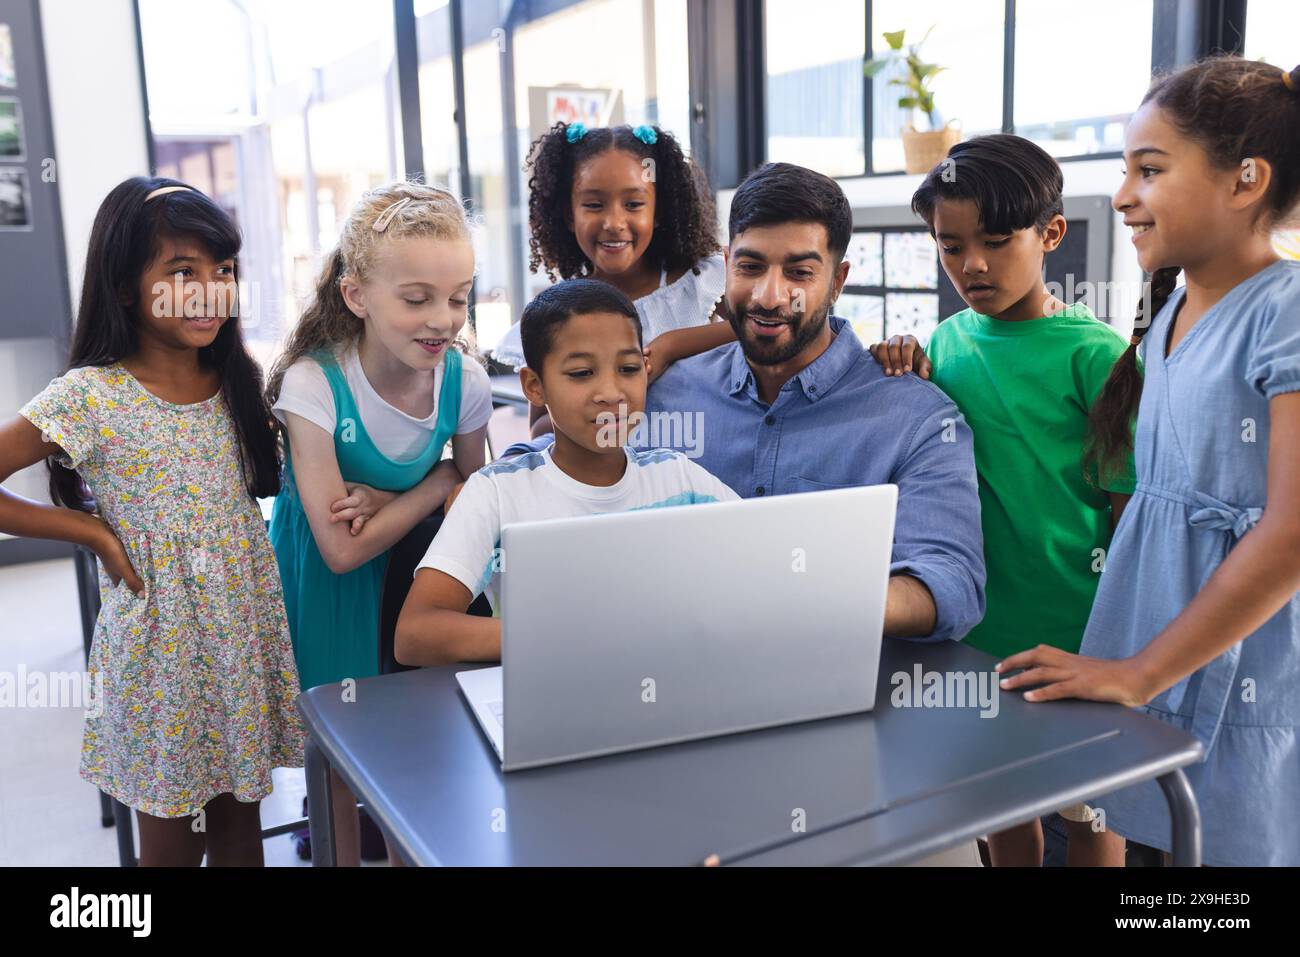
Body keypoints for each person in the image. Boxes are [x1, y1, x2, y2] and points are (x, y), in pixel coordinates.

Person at [999, 57, 1300, 867]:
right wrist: (1130, 667)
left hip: (1241, 660)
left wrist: (1140, 671)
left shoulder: (1287, 307)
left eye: (1150, 169)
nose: (1124, 194)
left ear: (1244, 182)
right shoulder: (1171, 309)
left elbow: (1293, 530)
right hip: (1156, 633)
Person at [0, 177, 303, 866]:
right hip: (157, 658)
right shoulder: (93, 395)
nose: (210, 290)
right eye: (182, 271)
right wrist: (93, 533)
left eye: (222, 270)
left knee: (239, 834)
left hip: (236, 638)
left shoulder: (235, 383)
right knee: (167, 848)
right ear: (127, 284)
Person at [870, 134, 1133, 866]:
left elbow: (1126, 507)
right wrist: (900, 365)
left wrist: (1123, 641)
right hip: (978, 627)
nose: (972, 265)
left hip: (1080, 629)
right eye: (951, 247)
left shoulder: (1095, 354)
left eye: (993, 241)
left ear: (1050, 233)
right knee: (999, 801)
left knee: (1089, 806)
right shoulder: (945, 343)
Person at [266, 181, 492, 864]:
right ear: (357, 295)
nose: (444, 319)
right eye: (417, 299)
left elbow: (477, 510)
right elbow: (339, 546)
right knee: (337, 753)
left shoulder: (465, 381)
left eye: (459, 297)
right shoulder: (312, 384)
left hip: (410, 578)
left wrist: (440, 491)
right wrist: (437, 481)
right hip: (331, 588)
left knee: (415, 748)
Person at [396, 279, 738, 664]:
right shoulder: (496, 493)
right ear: (534, 387)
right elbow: (416, 633)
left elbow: (764, 565)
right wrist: (577, 638)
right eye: (581, 373)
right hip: (548, 700)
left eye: (627, 369)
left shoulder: (678, 478)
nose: (611, 392)